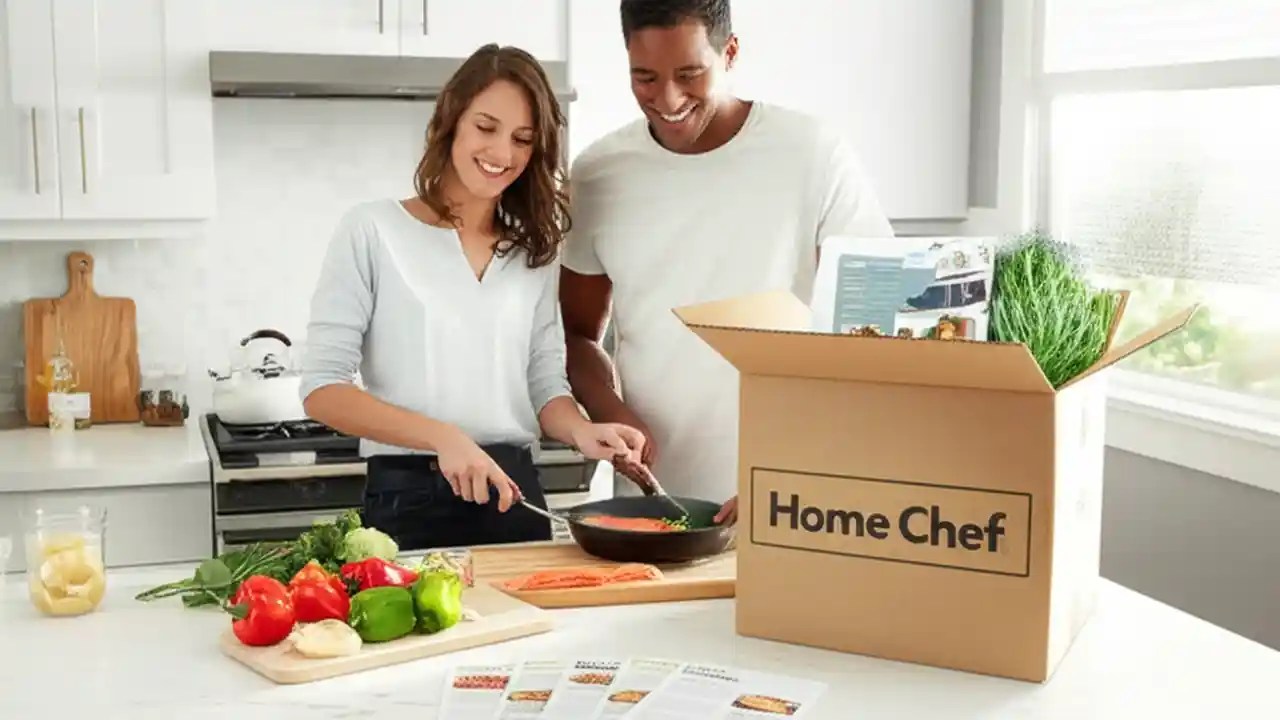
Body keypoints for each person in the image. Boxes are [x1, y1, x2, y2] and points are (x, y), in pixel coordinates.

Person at [299, 44, 646, 552]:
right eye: (486, 128)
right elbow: (323, 388)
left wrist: (583, 431)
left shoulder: (534, 253)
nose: (502, 153)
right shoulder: (372, 230)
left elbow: (543, 383)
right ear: (452, 120)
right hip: (407, 497)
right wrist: (444, 437)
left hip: (514, 496)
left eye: (522, 139)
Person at [559, 0, 894, 525]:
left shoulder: (811, 153)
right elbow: (575, 333)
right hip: (653, 505)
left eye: (689, 74)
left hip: (796, 500)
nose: (667, 99)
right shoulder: (598, 173)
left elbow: (878, 328)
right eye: (644, 77)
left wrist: (802, 475)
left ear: (730, 52)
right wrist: (613, 411)